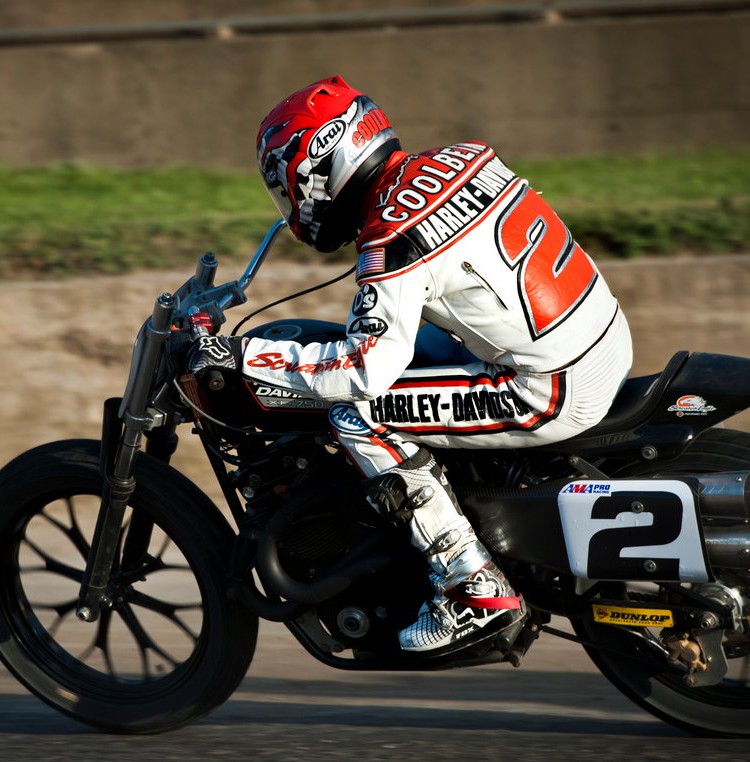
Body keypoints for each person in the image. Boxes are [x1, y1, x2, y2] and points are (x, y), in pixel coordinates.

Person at [188, 76, 633, 654]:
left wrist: (244, 357)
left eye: (290, 187)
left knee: (357, 416)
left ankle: (471, 588)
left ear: (321, 169)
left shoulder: (390, 238)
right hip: (601, 338)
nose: (293, 205)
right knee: (420, 347)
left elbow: (364, 369)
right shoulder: (464, 157)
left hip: (550, 388)